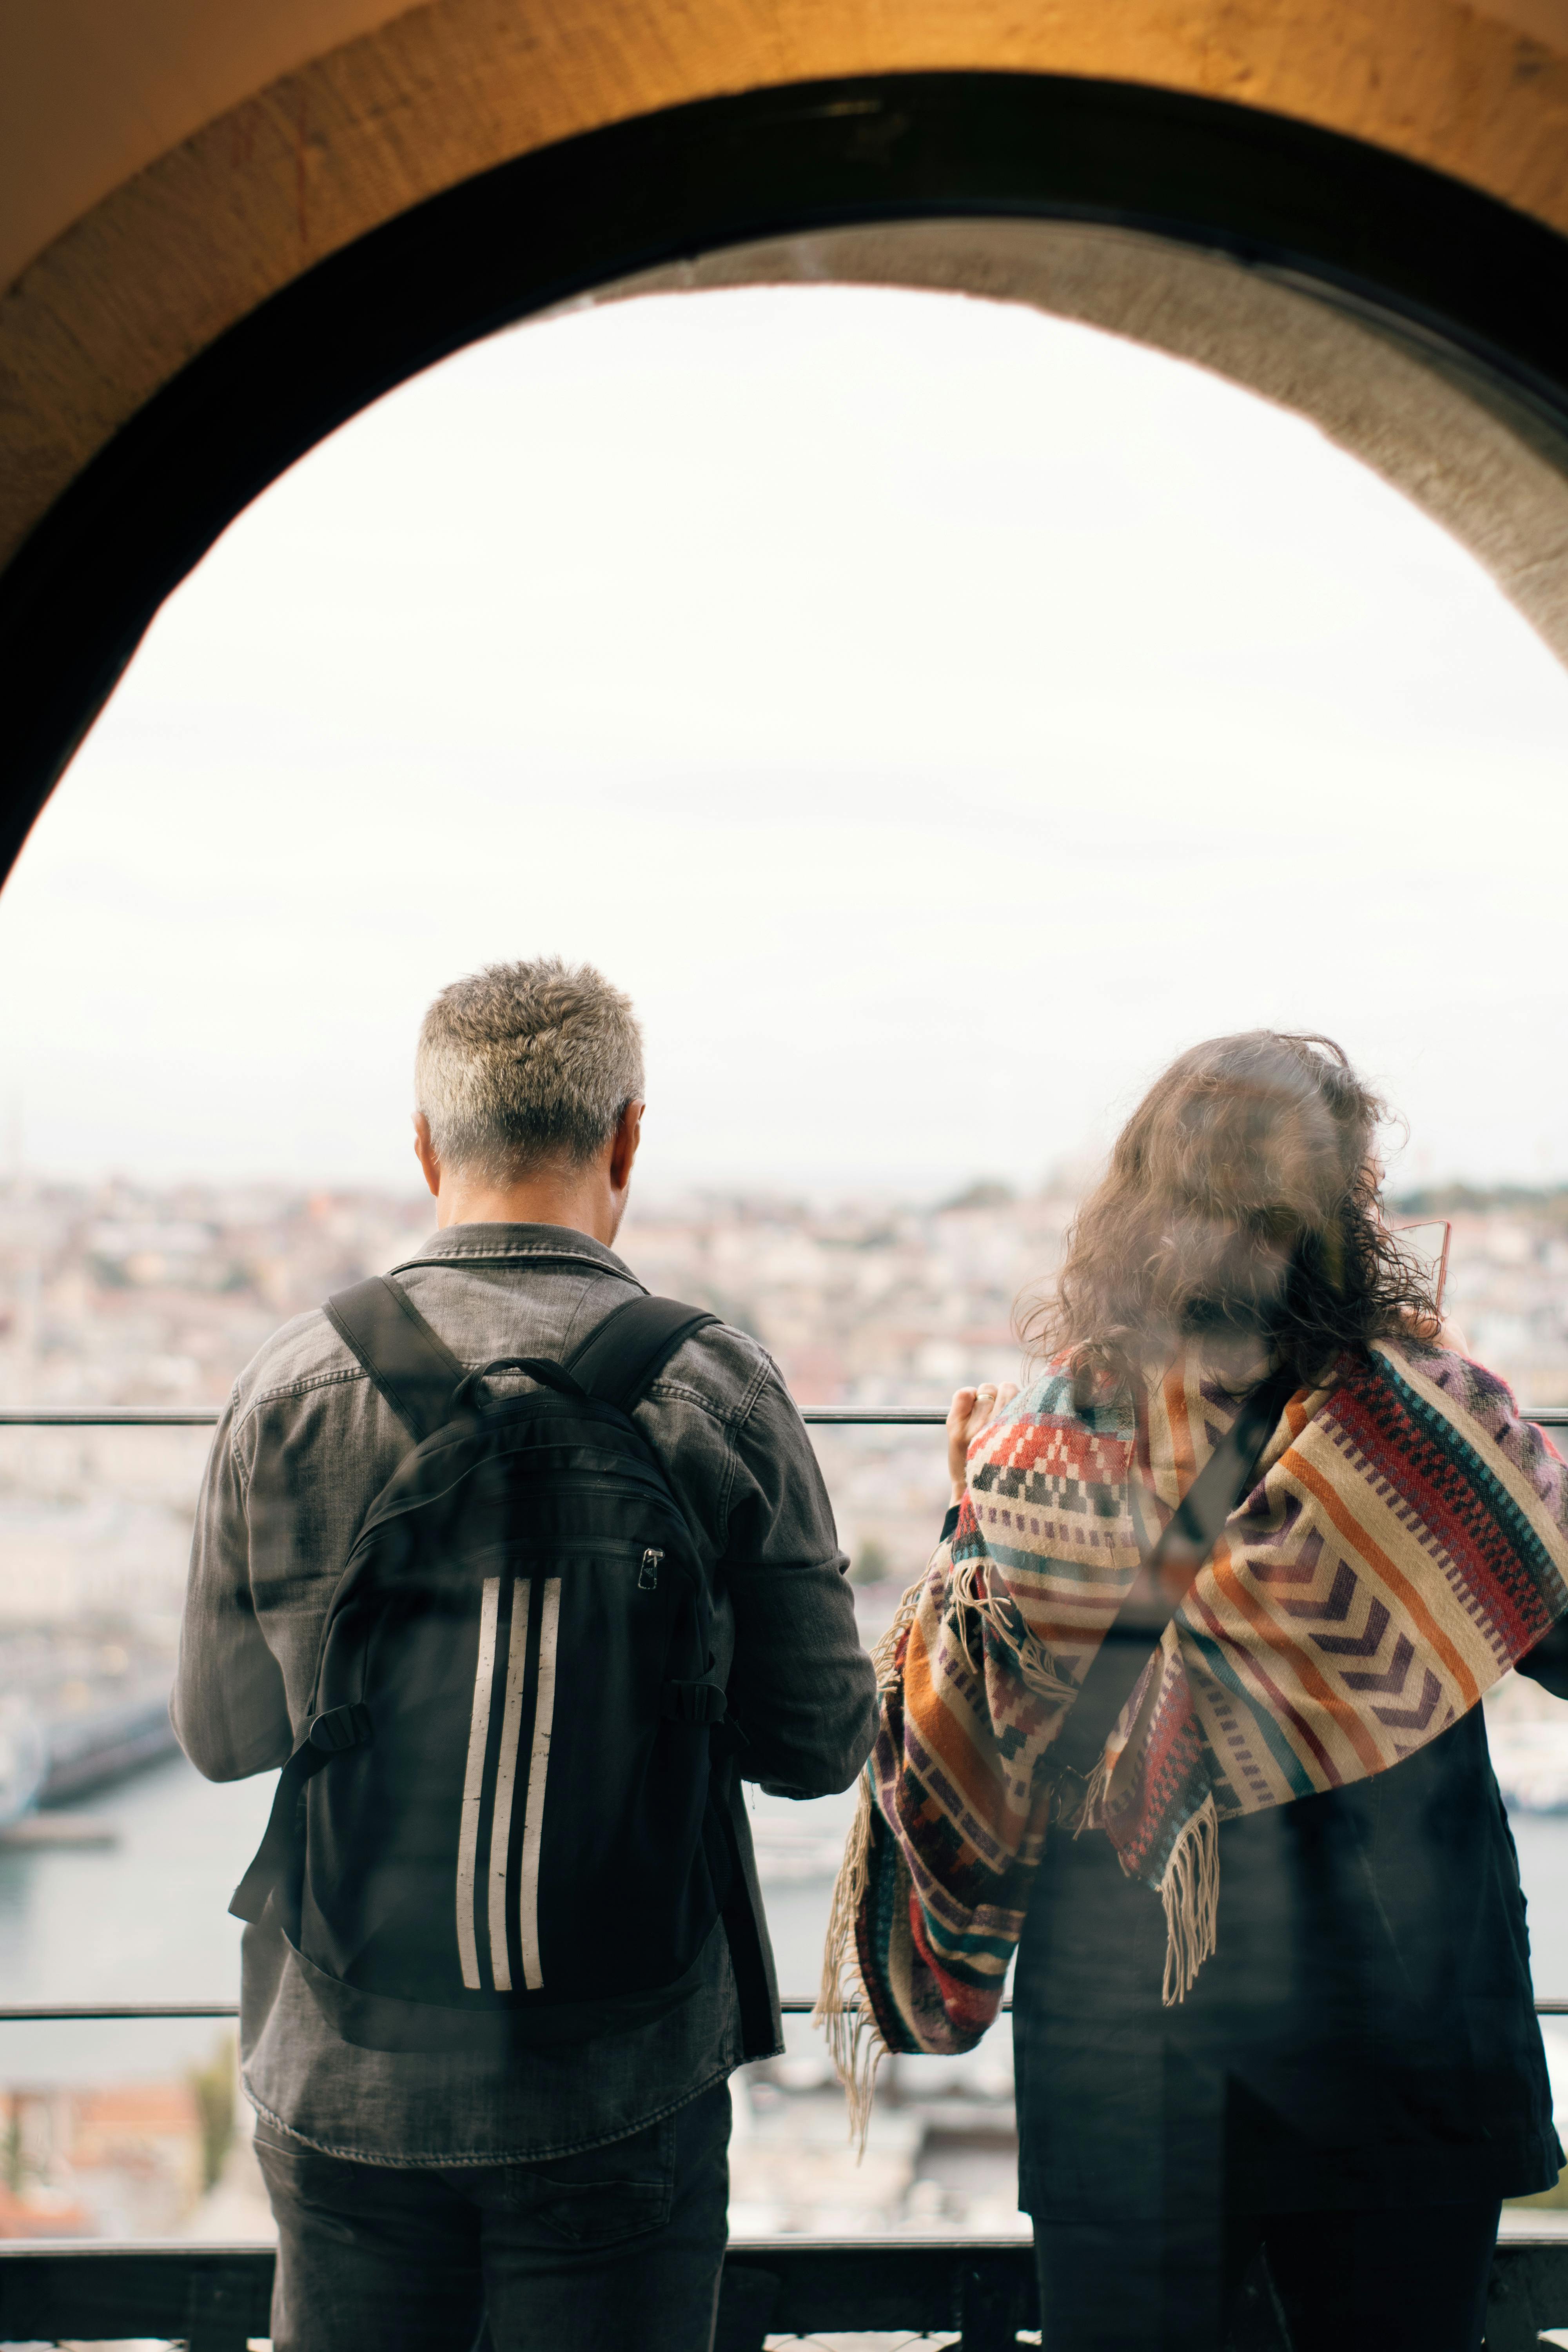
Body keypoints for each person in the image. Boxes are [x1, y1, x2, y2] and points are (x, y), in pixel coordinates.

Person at [174, 956, 877, 2352]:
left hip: (346, 2076)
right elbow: (819, 1746)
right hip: (621, 2084)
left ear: (427, 1146)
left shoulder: (292, 1387)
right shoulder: (713, 1386)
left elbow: (222, 1736)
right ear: (626, 1139)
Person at [827, 1031, 1568, 2352]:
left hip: (1127, 2052)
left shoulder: (1032, 1446)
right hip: (1398, 2039)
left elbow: (961, 1735)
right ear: (1342, 1214)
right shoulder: (1424, 1432)